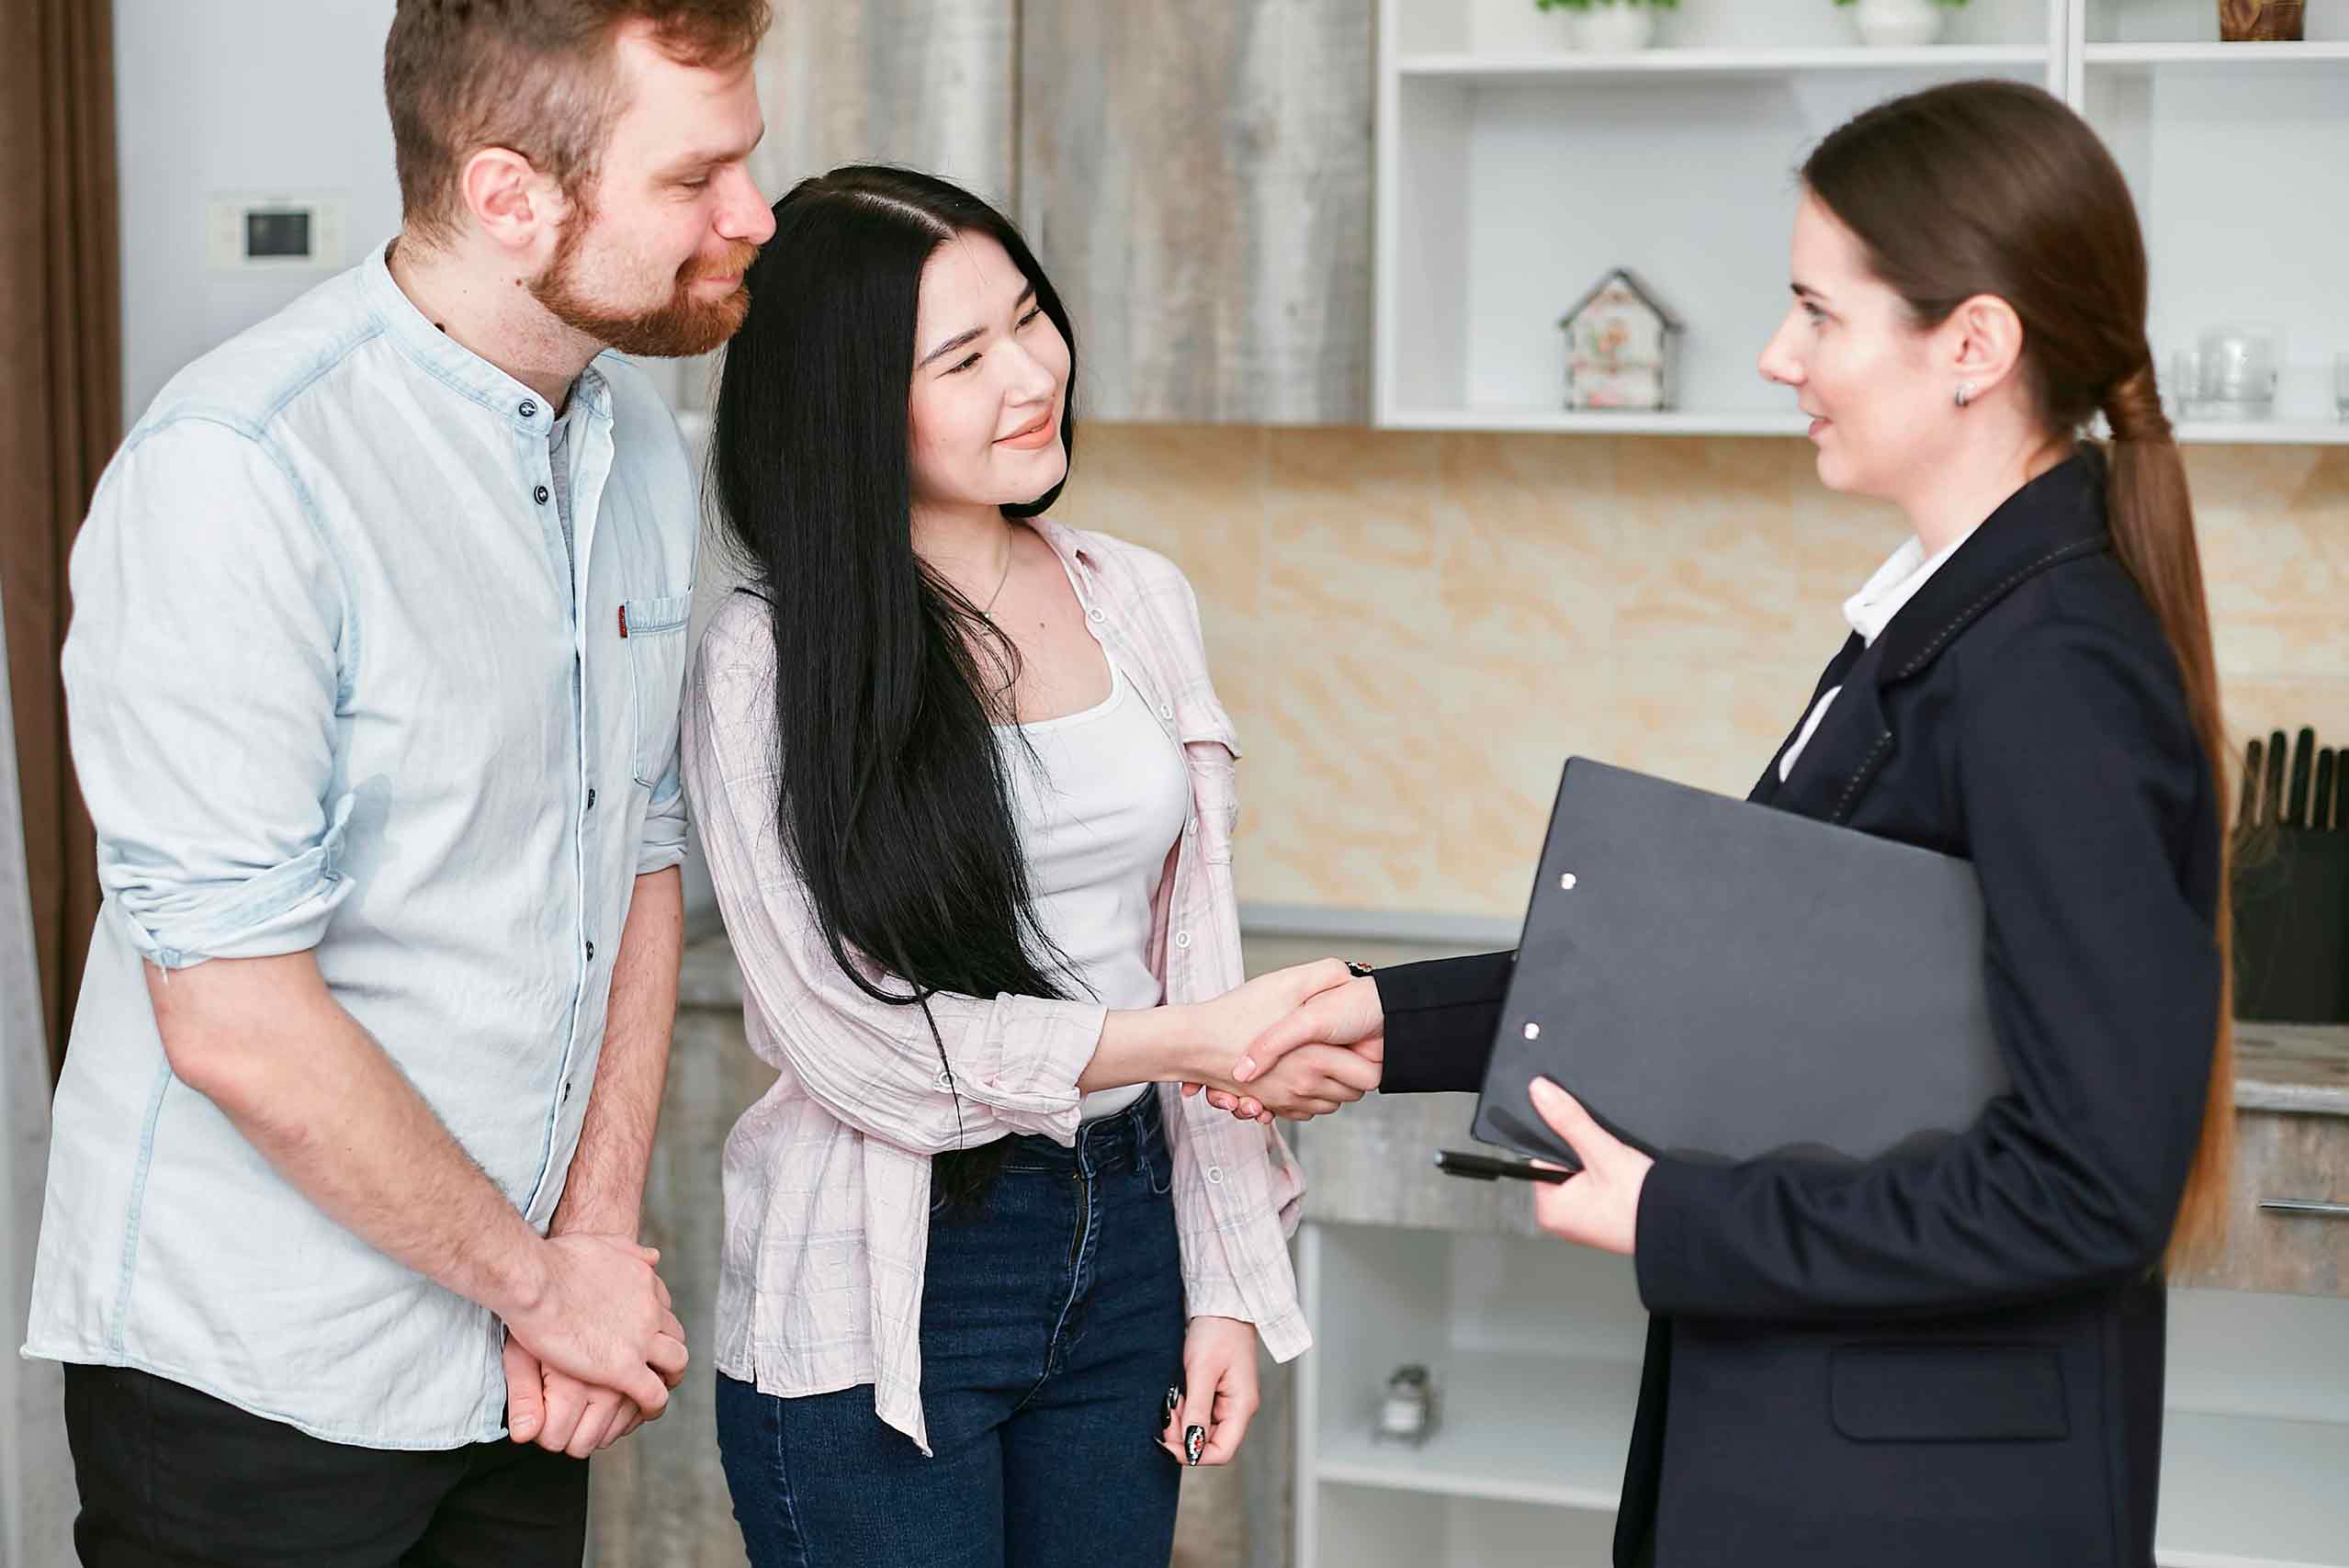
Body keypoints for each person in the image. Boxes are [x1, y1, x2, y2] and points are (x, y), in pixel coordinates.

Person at [1232, 80, 2233, 1568]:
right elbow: (1742, 984)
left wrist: (1680, 1219)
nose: (1778, 357)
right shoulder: (1943, 628)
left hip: (1921, 1494)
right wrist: (1388, 1024)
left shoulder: (2050, 675)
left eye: (1817, 314)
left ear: (1971, 345)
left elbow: (2087, 1192)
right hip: (1844, 1450)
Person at [23, 3, 776, 1562]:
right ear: (511, 197)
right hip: (259, 1375)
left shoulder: (635, 439)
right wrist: (541, 1282)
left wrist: (583, 1241)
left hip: (514, 1349)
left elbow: (633, 842)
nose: (751, 217)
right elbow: (233, 1018)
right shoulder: (241, 470)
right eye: (695, 177)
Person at [685, 165, 1377, 1567]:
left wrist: (1224, 1284)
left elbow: (1192, 947)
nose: (1029, 373)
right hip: (887, 1268)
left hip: (1125, 1236)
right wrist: (1195, 1041)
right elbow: (853, 1047)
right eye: (961, 356)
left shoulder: (1135, 593)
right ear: (847, 406)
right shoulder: (767, 662)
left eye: (1027, 318)